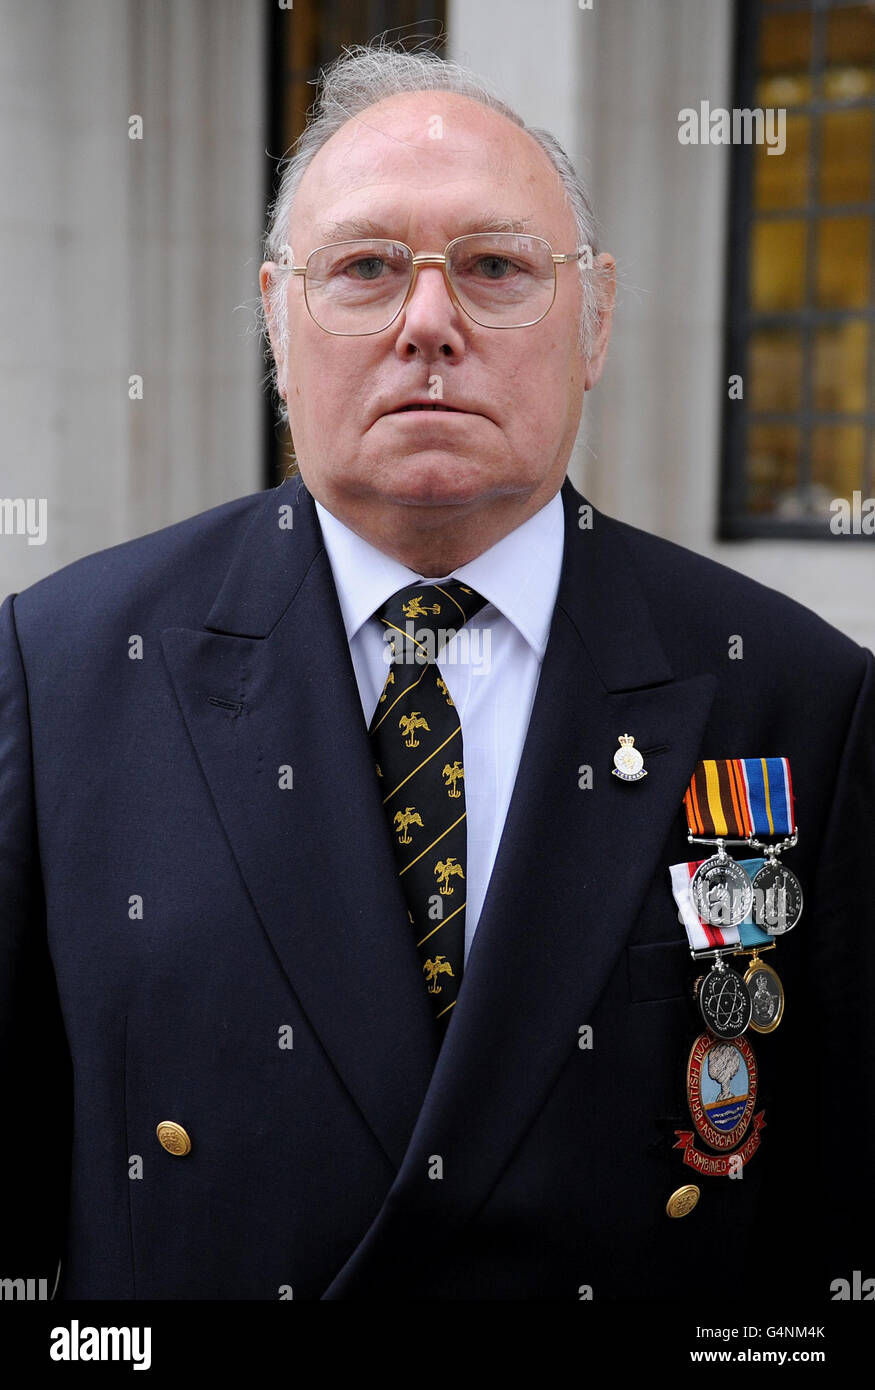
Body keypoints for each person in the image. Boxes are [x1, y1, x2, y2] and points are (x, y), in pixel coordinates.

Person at [1, 41, 872, 1303]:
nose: (426, 324)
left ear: (596, 316)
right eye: (362, 269)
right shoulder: (66, 667)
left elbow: (833, 1223)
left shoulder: (797, 698)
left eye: (495, 268)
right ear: (273, 317)